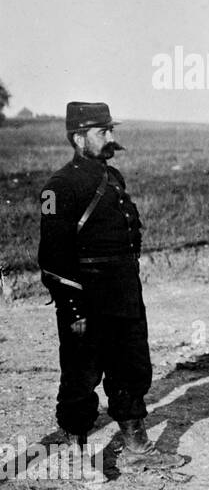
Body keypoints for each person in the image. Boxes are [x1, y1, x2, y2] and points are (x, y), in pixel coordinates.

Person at [38, 102, 183, 469]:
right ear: (78, 137)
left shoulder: (114, 178)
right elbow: (53, 259)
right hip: (87, 297)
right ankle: (76, 453)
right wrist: (73, 308)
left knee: (131, 368)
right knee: (81, 375)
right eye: (102, 132)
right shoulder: (59, 187)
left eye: (110, 130)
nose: (111, 138)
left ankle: (137, 446)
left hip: (123, 291)